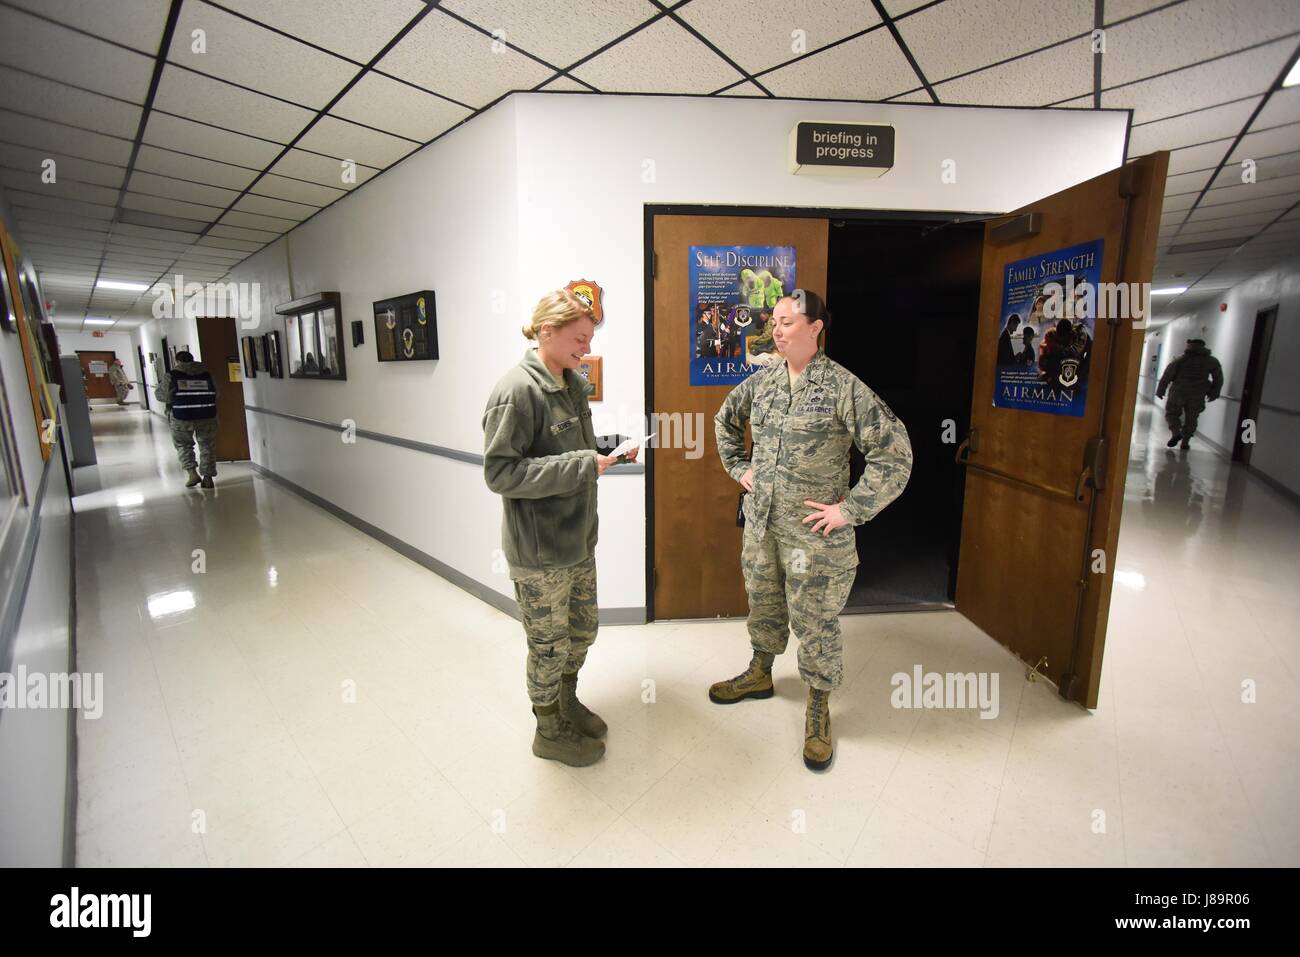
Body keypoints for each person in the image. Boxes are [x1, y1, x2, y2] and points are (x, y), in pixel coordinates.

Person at [712, 290, 913, 771]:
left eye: (786, 322)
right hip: (762, 525)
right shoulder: (763, 383)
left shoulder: (843, 387)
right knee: (762, 600)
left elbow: (895, 454)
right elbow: (725, 421)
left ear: (815, 328)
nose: (775, 330)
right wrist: (740, 467)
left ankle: (819, 706)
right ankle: (761, 672)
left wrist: (851, 510)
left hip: (814, 536)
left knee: (815, 621)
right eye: (773, 322)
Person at [482, 289, 637, 768]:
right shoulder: (516, 391)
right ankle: (547, 729)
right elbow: (501, 474)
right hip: (540, 551)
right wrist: (582, 464)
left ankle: (566, 702)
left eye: (589, 340)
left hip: (577, 540)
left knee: (581, 632)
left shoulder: (571, 384)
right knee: (548, 648)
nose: (585, 349)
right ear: (546, 332)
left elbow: (577, 448)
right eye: (579, 339)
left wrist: (610, 450)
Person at [154, 350, 218, 489]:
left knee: (183, 445)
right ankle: (208, 478)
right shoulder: (207, 373)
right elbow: (216, 392)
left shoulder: (172, 375)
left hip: (181, 416)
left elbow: (162, 396)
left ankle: (192, 473)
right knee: (207, 445)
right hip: (207, 414)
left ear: (178, 361)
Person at [1157, 338, 1224, 449]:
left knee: (1172, 414)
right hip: (1198, 394)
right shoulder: (1212, 361)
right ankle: (1185, 442)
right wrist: (1214, 392)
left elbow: (1167, 375)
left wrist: (1161, 390)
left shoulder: (1180, 360)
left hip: (1178, 392)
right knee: (1192, 418)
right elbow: (1219, 378)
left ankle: (1175, 433)